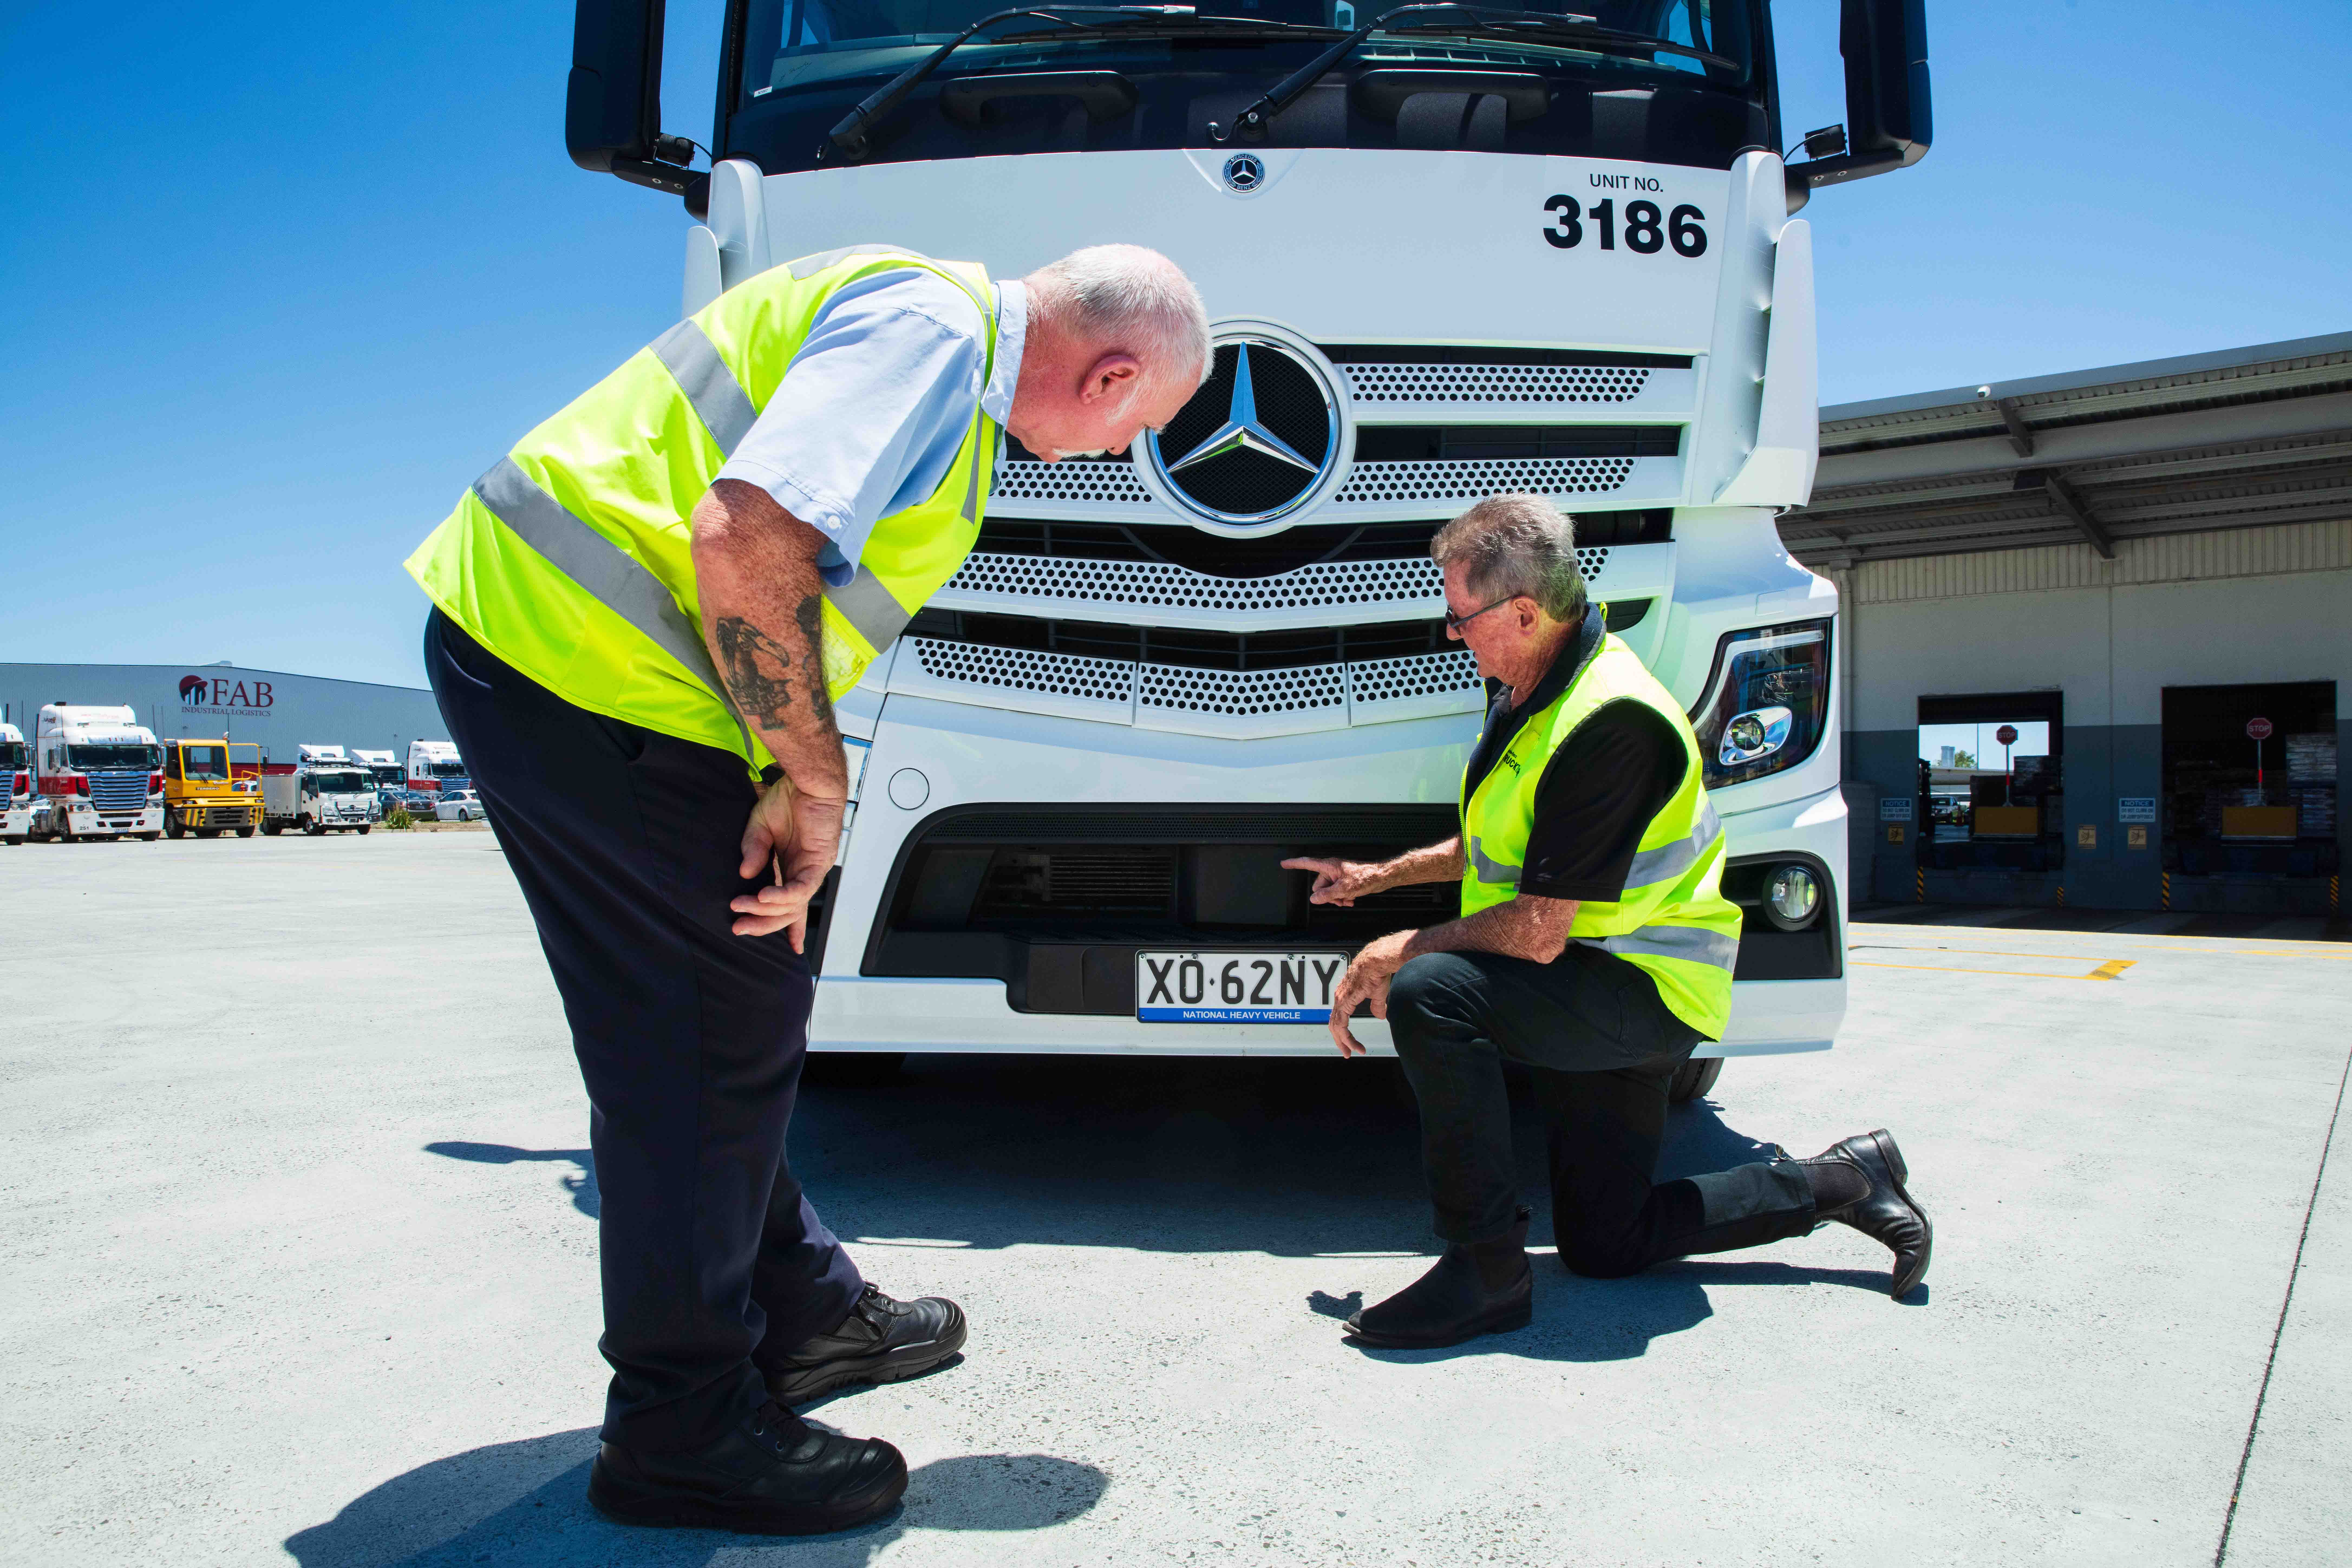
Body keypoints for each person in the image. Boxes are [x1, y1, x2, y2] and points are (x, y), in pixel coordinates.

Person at [405, 243, 1208, 1534]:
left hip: (582, 664)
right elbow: (747, 539)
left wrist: (782, 759)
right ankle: (681, 1426)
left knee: (731, 1018)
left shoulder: (942, 360)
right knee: (698, 1038)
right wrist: (817, 783)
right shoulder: (935, 334)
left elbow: (782, 585)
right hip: (591, 667)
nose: (1120, 455)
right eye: (1139, 428)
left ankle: (807, 1312)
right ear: (1111, 372)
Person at [1283, 495, 1929, 1350]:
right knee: (1606, 1242)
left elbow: (1541, 927)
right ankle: (1845, 1180)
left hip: (1641, 989)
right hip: (1592, 979)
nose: (1452, 634)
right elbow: (1506, 846)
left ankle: (1485, 1268)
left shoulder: (1609, 719)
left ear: (1523, 610)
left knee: (1433, 990)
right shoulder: (1534, 687)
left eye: (1460, 615)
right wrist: (1379, 879)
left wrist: (1401, 946)